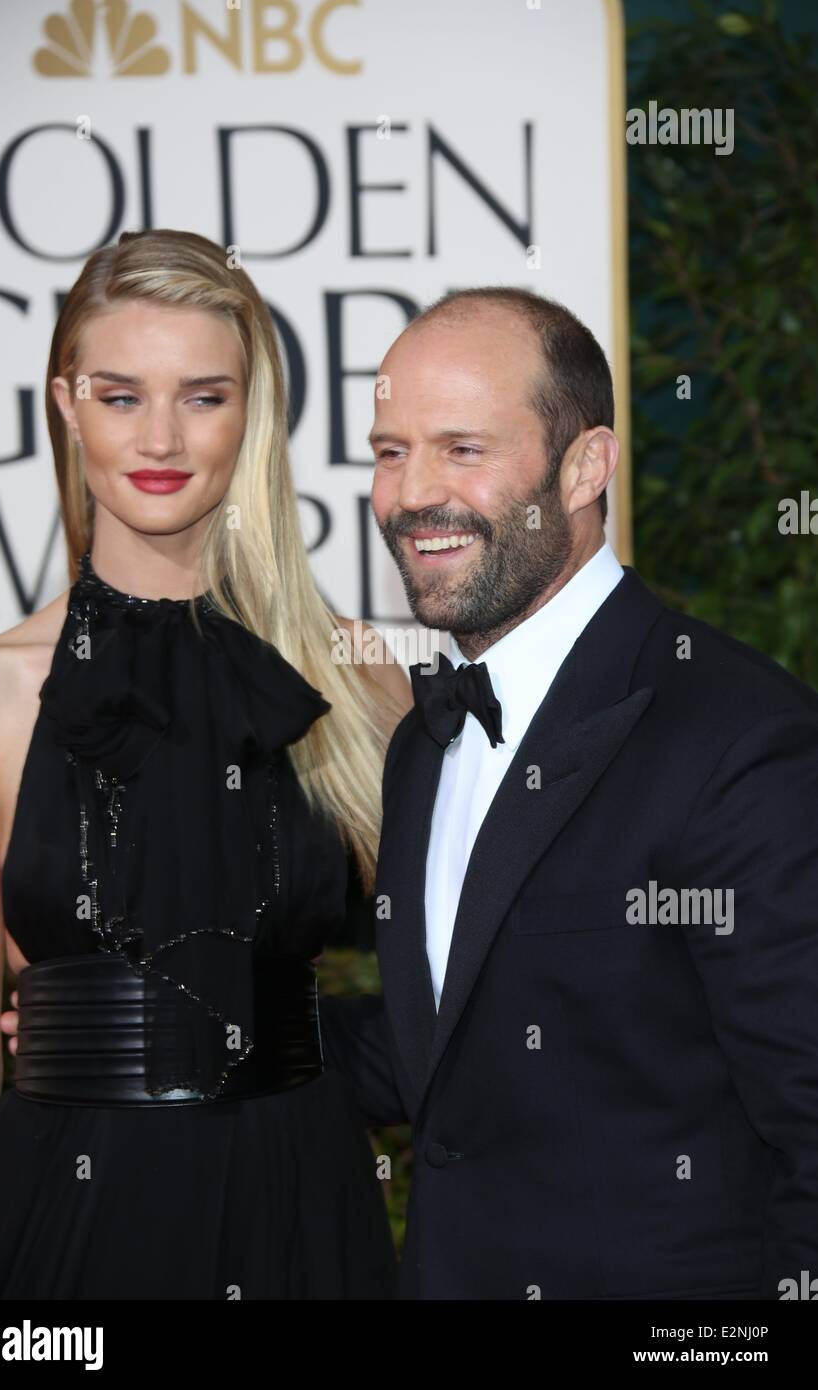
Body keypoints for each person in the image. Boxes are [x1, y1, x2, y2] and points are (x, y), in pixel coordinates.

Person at [320, 287, 818, 1299]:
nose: (413, 493)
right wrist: (181, 1021)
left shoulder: (734, 735)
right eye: (387, 451)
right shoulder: (426, 739)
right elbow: (459, 1043)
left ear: (585, 465)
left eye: (462, 449)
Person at [0, 227, 410, 1299]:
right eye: (120, 396)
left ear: (253, 412)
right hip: (68, 1213)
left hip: (301, 1195)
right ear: (66, 404)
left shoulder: (350, 677)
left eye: (203, 395)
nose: (160, 436)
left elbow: (460, 981)